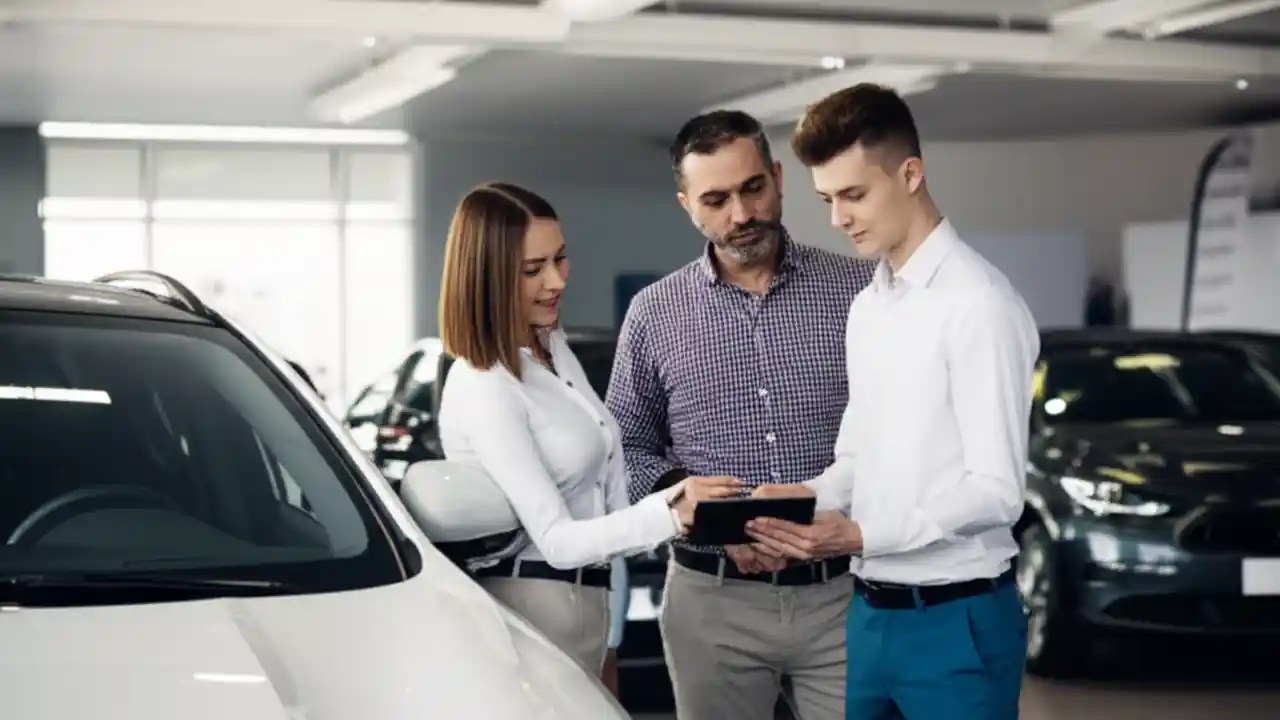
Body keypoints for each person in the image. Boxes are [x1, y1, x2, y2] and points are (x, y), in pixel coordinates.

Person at [745, 83, 1039, 720]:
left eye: (853, 195)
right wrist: (800, 500)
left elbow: (997, 492)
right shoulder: (868, 308)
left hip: (957, 619)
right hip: (870, 617)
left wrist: (861, 534)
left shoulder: (981, 305)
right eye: (826, 199)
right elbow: (859, 459)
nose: (838, 218)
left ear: (910, 174)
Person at [606, 111, 876, 720]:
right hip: (713, 603)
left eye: (753, 188)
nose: (742, 214)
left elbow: (896, 433)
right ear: (687, 206)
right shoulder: (654, 313)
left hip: (845, 593)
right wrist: (702, 516)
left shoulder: (860, 292)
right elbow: (626, 451)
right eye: (716, 199)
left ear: (777, 178)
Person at [434, 181, 739, 674]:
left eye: (560, 259)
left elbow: (609, 510)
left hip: (589, 604)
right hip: (531, 613)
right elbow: (557, 541)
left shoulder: (552, 349)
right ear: (487, 278)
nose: (556, 280)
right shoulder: (484, 384)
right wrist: (672, 512)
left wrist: (686, 504)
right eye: (533, 269)